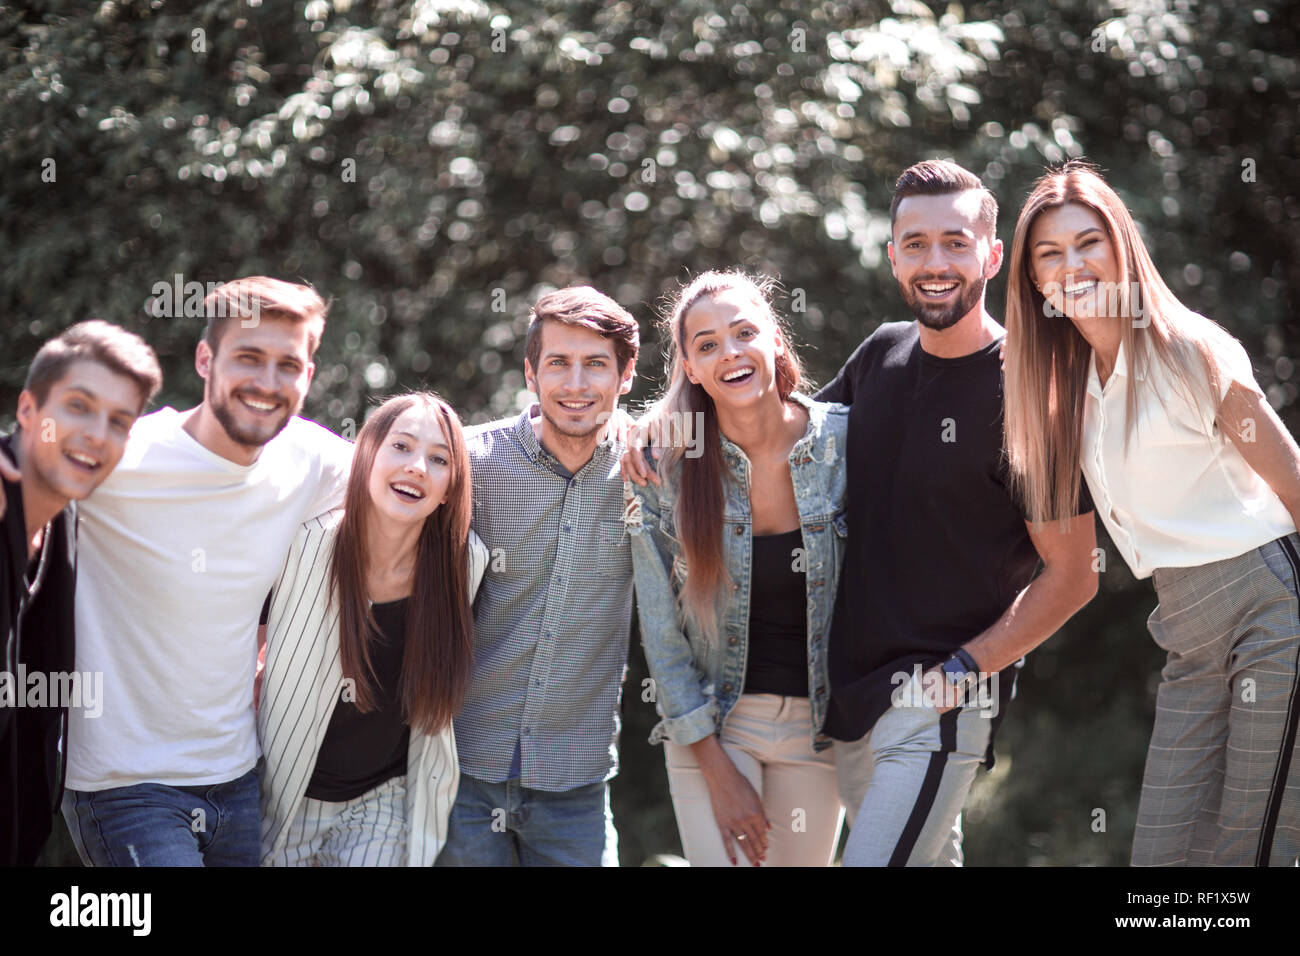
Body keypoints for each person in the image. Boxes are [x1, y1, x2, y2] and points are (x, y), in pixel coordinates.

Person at [1002, 161, 1300, 867]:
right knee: (1164, 857)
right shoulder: (1063, 391)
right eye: (1050, 253)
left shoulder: (1190, 352)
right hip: (1186, 630)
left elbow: (1293, 479)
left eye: (1087, 243)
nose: (1071, 265)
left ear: (1120, 248)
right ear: (1034, 280)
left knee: (1249, 851)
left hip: (1270, 605)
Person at [815, 160, 1098, 866]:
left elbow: (1074, 574)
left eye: (955, 241)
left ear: (992, 254)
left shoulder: (1029, 390)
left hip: (937, 705)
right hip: (849, 700)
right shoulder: (879, 353)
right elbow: (775, 445)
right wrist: (655, 430)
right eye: (915, 244)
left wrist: (960, 673)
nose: (934, 262)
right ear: (892, 256)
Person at [61, 277, 353, 867]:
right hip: (125, 785)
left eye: (287, 365)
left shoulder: (311, 459)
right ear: (205, 359)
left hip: (238, 777)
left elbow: (418, 481)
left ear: (309, 376)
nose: (267, 384)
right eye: (248, 357)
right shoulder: (124, 457)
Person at [623, 271, 849, 867]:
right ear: (691, 369)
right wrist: (715, 770)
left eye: (744, 332)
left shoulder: (844, 446)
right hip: (713, 725)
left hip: (822, 728)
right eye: (707, 344)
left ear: (775, 338)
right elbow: (661, 634)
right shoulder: (664, 467)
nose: (730, 353)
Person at [435, 286, 639, 867]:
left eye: (596, 364)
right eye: (559, 363)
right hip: (464, 771)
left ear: (625, 377)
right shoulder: (469, 463)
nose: (576, 384)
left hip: (576, 782)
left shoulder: (653, 467)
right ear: (531, 372)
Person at [259, 392, 487, 866]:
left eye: (438, 459)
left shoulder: (464, 566)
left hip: (380, 804)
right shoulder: (300, 547)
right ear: (366, 456)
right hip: (279, 800)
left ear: (449, 488)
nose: (418, 467)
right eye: (401, 447)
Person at [1, 321, 161, 866]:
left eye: (119, 421)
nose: (98, 433)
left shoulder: (68, 521)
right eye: (78, 406)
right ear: (27, 410)